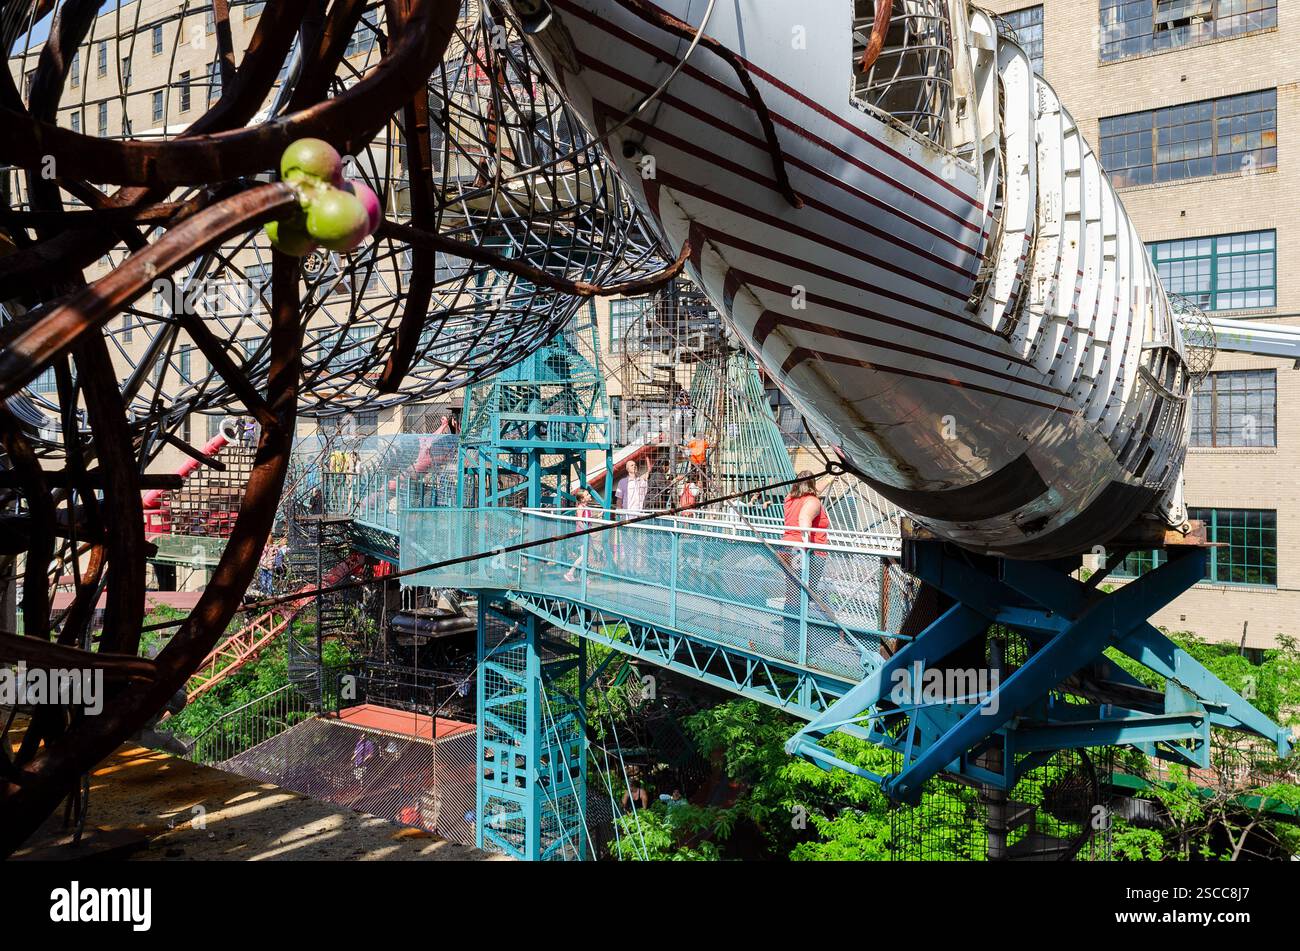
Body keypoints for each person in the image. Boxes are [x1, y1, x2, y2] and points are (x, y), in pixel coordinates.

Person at [780, 471, 830, 656]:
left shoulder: (789, 498)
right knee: (801, 599)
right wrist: (806, 549)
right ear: (812, 484)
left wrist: (831, 477)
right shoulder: (813, 502)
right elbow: (804, 520)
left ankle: (792, 641)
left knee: (793, 597)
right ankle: (798, 646)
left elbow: (814, 492)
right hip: (807, 554)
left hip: (787, 549)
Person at [564, 489, 598, 583]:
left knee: (585, 556)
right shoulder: (580, 507)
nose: (589, 495)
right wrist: (587, 530)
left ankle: (583, 576)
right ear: (582, 499)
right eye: (587, 494)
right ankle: (570, 573)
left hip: (586, 533)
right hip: (582, 534)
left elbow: (587, 519)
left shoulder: (586, 507)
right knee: (583, 556)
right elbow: (579, 521)